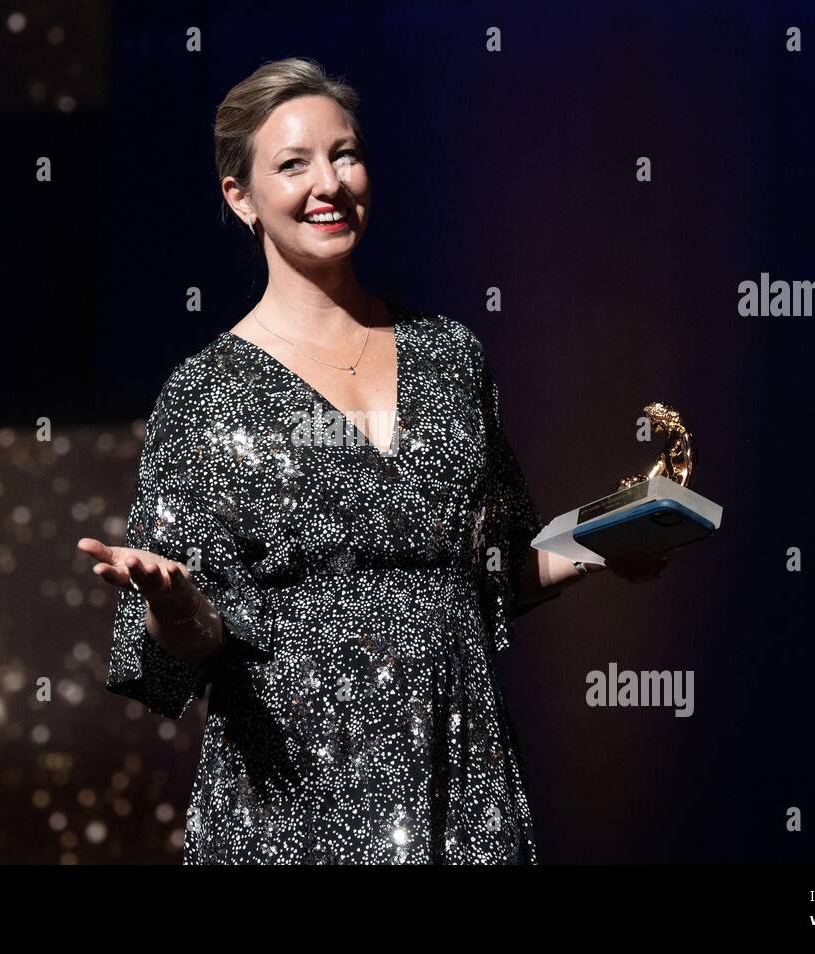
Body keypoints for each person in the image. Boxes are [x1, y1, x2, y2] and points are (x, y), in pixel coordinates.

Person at [77, 57, 668, 864]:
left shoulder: (448, 353)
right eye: (293, 164)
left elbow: (490, 573)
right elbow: (190, 643)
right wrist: (175, 608)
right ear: (239, 196)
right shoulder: (204, 395)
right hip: (293, 798)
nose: (328, 183)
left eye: (344, 154)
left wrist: (611, 536)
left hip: (460, 775)